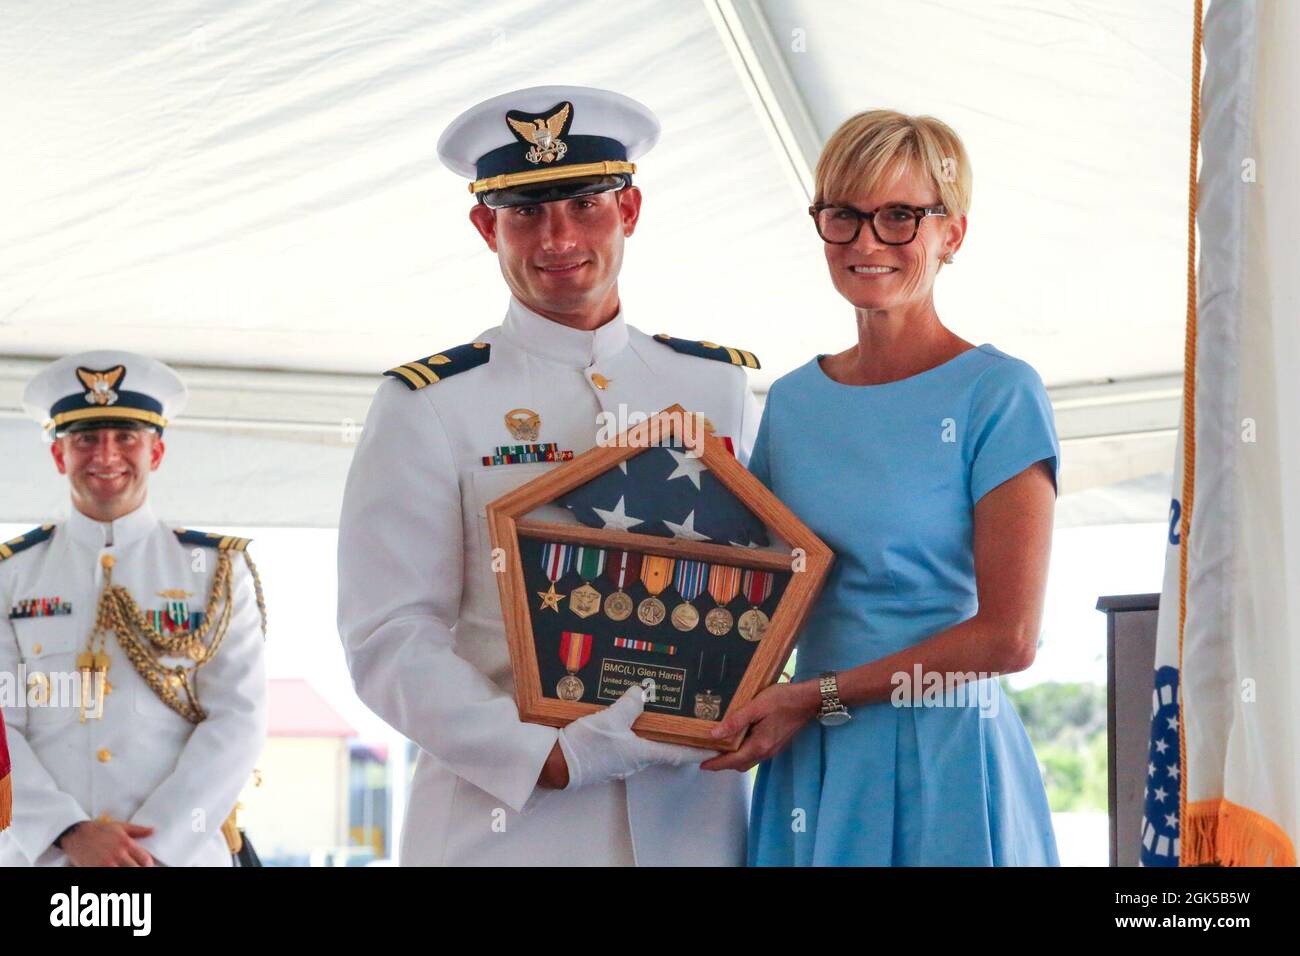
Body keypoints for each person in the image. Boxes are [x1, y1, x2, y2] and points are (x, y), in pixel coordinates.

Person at [337, 86, 762, 865]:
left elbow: (769, 581)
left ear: (629, 210)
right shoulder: (428, 403)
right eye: (526, 211)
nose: (557, 236)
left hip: (692, 821)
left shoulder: (719, 389)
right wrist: (548, 755)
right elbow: (389, 633)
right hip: (508, 826)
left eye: (584, 204)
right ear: (484, 226)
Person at [702, 110, 1061, 866]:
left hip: (944, 758)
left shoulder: (997, 393)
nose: (867, 242)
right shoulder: (794, 401)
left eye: (900, 216)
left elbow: (1009, 639)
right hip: (813, 758)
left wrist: (814, 696)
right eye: (845, 216)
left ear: (951, 234)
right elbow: (758, 596)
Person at [0, 351, 267, 866]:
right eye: (85, 439)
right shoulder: (11, 574)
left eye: (126, 437)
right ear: (60, 457)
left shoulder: (217, 569)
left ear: (156, 452)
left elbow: (239, 718)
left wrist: (154, 846)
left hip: (178, 857)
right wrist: (70, 832)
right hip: (47, 856)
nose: (106, 455)